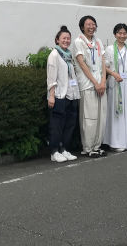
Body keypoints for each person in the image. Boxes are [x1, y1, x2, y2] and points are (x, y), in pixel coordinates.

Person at [72, 15, 107, 157]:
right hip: (88, 85)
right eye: (88, 24)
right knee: (89, 118)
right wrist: (95, 83)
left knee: (101, 117)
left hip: (100, 85)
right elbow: (82, 64)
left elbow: (103, 62)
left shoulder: (98, 41)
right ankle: (88, 148)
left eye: (93, 24)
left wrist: (103, 81)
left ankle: (97, 146)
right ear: (82, 27)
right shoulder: (78, 42)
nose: (91, 27)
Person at [47, 25, 80, 163]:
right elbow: (51, 78)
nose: (66, 41)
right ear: (57, 40)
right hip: (59, 95)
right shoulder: (54, 55)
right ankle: (54, 151)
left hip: (71, 94)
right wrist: (52, 96)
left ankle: (64, 149)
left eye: (68, 38)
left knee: (69, 124)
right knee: (57, 125)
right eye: (63, 38)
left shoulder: (68, 55)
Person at [103, 23, 127, 151]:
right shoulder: (110, 49)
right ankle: (116, 143)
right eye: (119, 33)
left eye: (124, 33)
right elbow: (104, 66)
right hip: (114, 84)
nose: (122, 35)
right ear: (115, 34)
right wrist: (113, 73)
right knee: (116, 113)